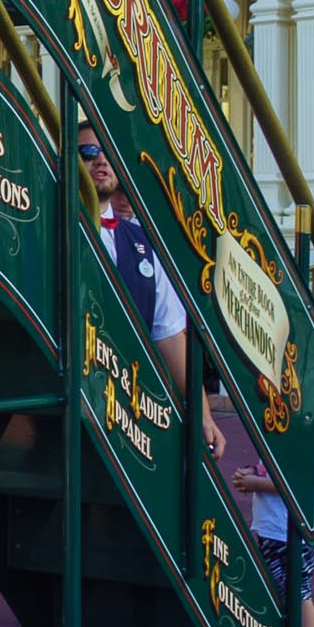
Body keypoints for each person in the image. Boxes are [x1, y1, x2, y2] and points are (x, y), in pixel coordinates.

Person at [79, 123, 224, 460]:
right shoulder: (56, 229)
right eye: (89, 152)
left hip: (130, 407)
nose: (101, 160)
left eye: (110, 153)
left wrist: (202, 415)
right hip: (76, 400)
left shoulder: (144, 245)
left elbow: (170, 334)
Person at [231, 435, 314, 627]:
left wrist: (256, 482)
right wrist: (253, 471)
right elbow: (274, 467)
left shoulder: (307, 430)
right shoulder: (279, 423)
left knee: (298, 591)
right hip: (273, 526)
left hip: (294, 527)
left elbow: (300, 480)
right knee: (277, 589)